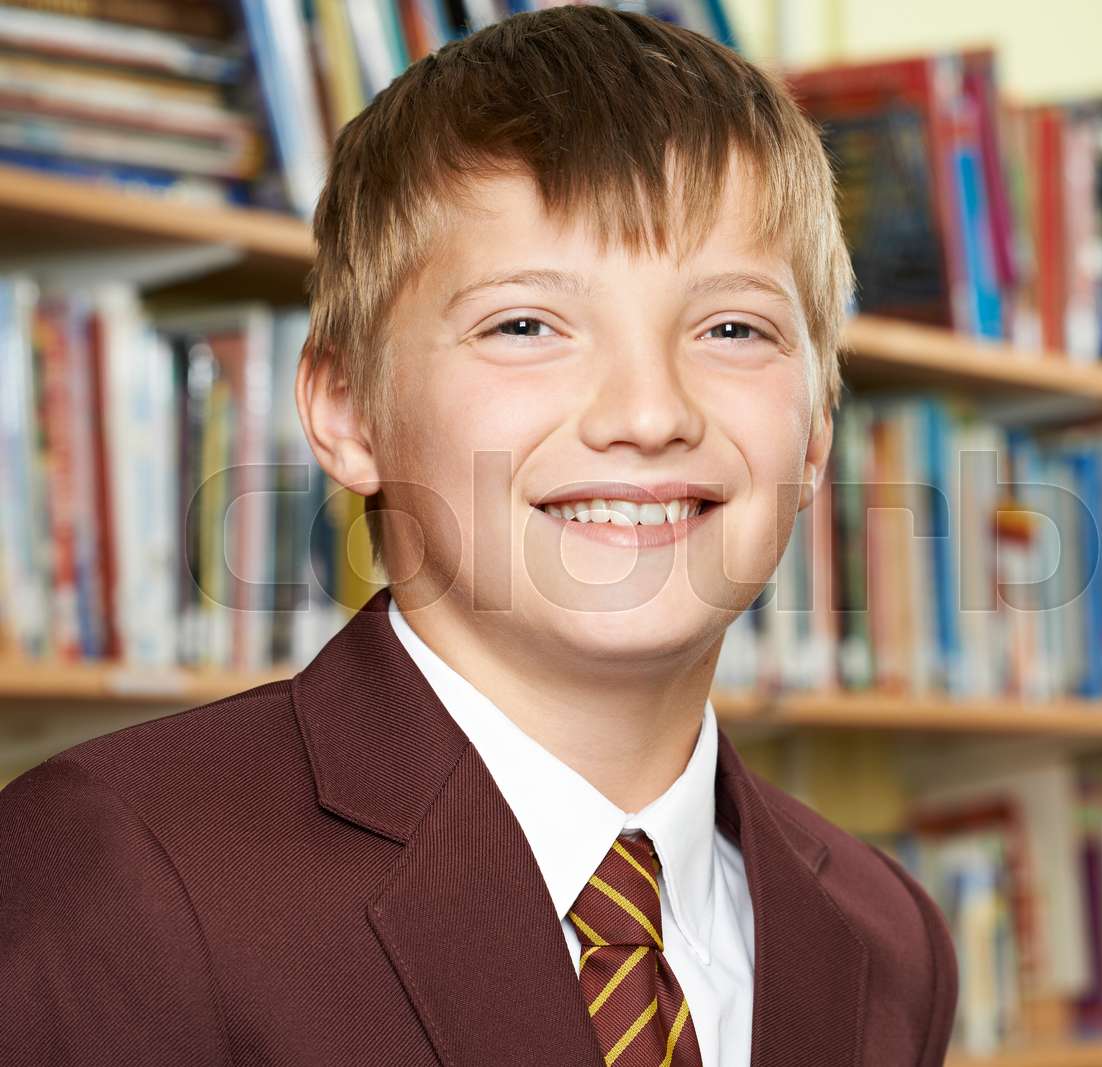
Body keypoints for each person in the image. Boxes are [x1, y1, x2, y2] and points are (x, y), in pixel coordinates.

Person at [0, 7, 958, 1065]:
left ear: (815, 433)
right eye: (525, 325)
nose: (647, 412)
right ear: (348, 412)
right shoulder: (115, 872)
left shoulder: (887, 937)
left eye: (733, 329)